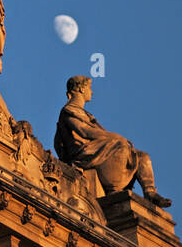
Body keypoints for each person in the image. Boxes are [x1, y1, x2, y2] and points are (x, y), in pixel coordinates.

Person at [54, 75, 172, 207]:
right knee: (120, 144)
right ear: (81, 89)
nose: (91, 92)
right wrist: (115, 137)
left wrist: (113, 138)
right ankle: (114, 189)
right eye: (89, 88)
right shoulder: (69, 110)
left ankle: (150, 192)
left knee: (142, 156)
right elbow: (85, 132)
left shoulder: (85, 113)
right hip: (84, 153)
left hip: (95, 148)